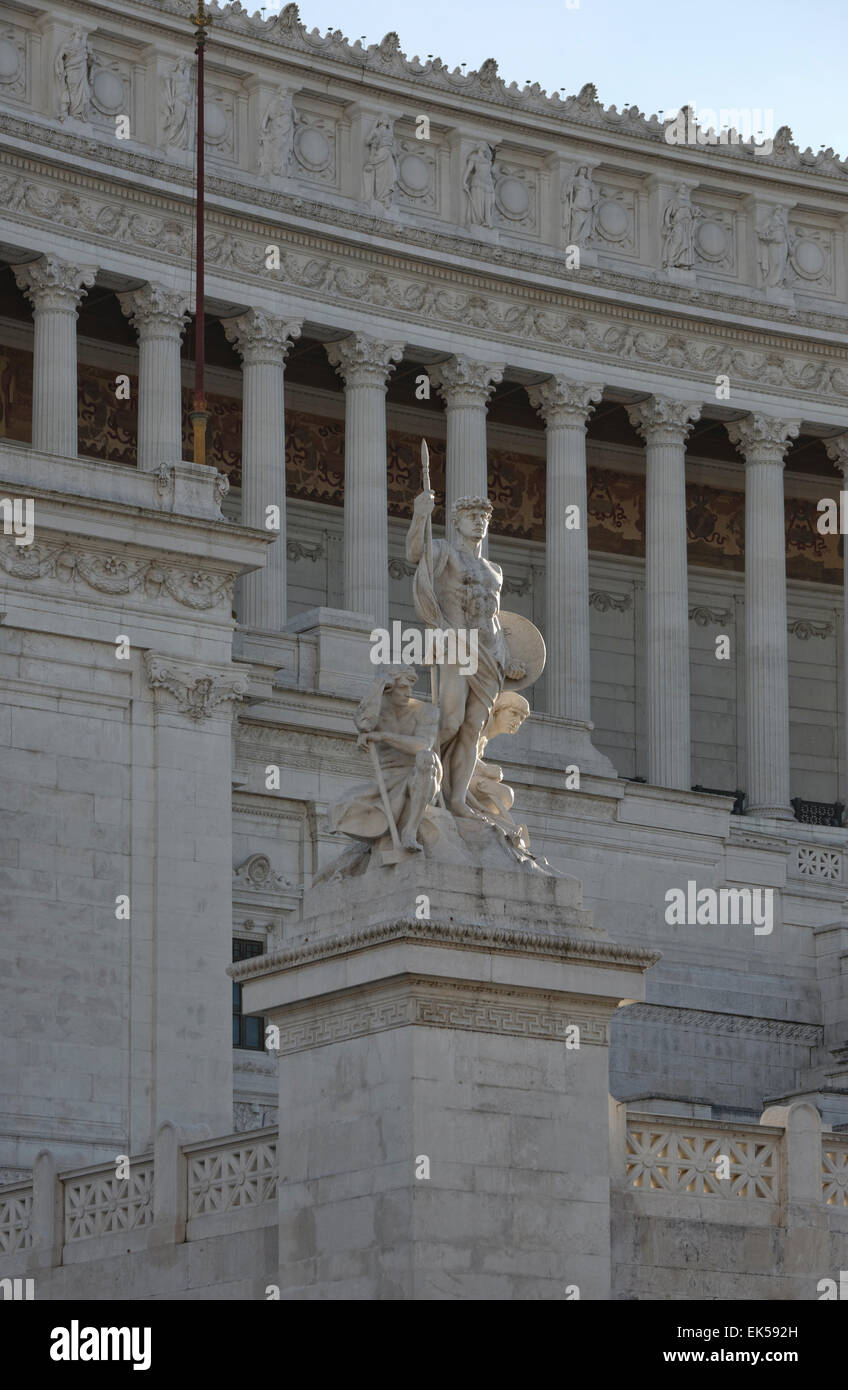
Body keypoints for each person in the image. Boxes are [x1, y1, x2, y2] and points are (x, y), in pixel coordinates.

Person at [406, 492, 525, 819]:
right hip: (457, 643)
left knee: (473, 728)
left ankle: (456, 798)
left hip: (491, 652)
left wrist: (507, 655)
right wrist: (420, 515)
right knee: (451, 720)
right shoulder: (445, 552)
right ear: (456, 522)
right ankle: (418, 771)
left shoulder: (494, 570)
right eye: (472, 516)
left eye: (484, 518)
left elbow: (495, 616)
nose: (479, 522)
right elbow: (414, 552)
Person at [329, 665, 441, 853]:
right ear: (389, 689)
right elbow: (363, 722)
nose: (408, 693)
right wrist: (378, 684)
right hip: (387, 779)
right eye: (403, 687)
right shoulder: (378, 712)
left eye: (410, 687)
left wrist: (384, 736)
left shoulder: (426, 711)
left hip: (418, 774)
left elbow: (422, 745)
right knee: (339, 808)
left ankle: (410, 832)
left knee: (426, 757)